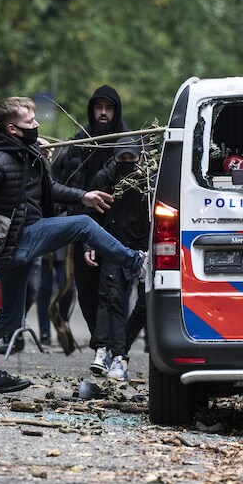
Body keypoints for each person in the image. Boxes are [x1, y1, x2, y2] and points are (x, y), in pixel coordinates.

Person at [0, 96, 147, 398]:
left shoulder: (25, 154)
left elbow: (51, 189)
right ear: (12, 129)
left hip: (15, 248)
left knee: (9, 318)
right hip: (19, 240)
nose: (36, 125)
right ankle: (136, 263)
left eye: (35, 120)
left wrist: (83, 196)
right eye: (29, 122)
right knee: (83, 226)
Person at [52, 86, 130, 373]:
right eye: (98, 108)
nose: (103, 113)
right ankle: (105, 346)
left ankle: (112, 348)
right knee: (85, 291)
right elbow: (58, 182)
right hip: (82, 228)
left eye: (108, 108)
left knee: (113, 292)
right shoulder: (79, 143)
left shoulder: (128, 143)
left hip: (117, 232)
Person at [87, 138, 149, 381]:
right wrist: (89, 244)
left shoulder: (149, 181)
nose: (126, 163)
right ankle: (119, 358)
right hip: (112, 246)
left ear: (140, 159)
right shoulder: (104, 178)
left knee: (146, 304)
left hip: (144, 249)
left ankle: (117, 349)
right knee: (114, 299)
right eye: (121, 158)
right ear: (114, 158)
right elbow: (91, 216)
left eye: (130, 159)